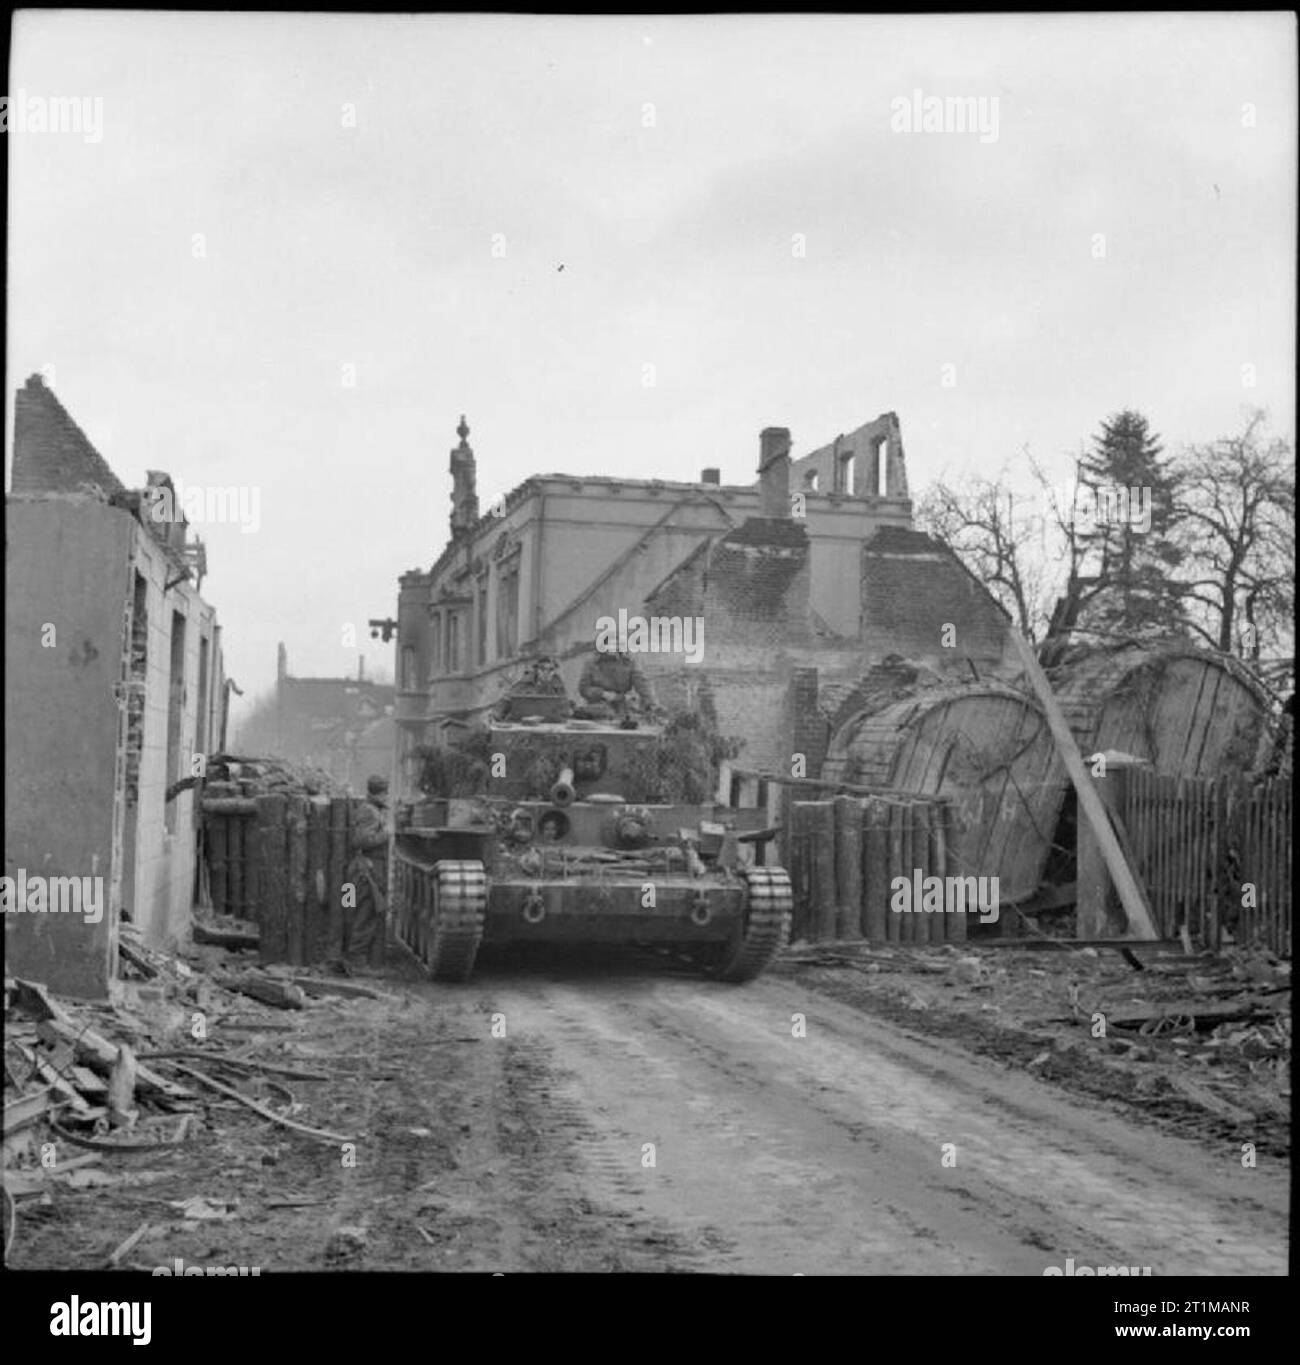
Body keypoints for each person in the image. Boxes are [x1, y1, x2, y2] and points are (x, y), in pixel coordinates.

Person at [340, 775, 389, 971]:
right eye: (385, 792)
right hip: (366, 870)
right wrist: (386, 835)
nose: (387, 796)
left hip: (363, 869)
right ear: (379, 792)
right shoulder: (369, 811)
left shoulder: (370, 809)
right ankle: (357, 961)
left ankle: (354, 958)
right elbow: (360, 841)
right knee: (365, 914)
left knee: (360, 912)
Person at [577, 646, 659, 723]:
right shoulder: (591, 662)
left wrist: (651, 704)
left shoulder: (629, 662)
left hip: (623, 708)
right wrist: (603, 694)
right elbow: (583, 688)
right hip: (597, 708)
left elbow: (642, 683)